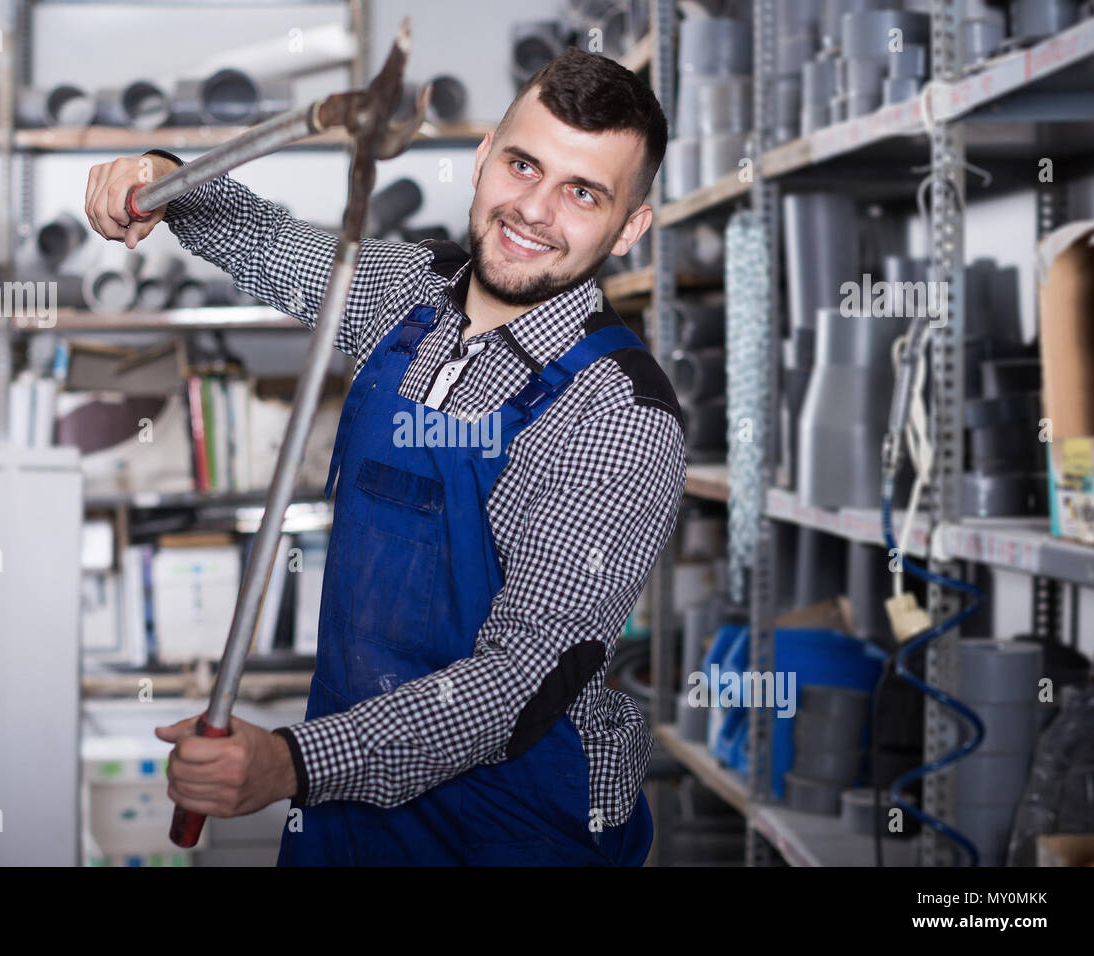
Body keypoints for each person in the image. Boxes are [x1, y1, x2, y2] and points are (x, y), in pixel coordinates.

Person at [84, 47, 685, 866]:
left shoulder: (619, 411)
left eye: (583, 193)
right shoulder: (407, 293)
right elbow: (269, 243)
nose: (535, 210)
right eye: (522, 164)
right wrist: (165, 177)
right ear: (482, 158)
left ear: (629, 229)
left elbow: (518, 681)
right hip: (347, 807)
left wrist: (292, 762)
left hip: (511, 822)